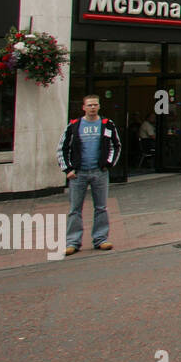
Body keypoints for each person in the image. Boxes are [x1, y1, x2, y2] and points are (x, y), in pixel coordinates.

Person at [57, 95, 120, 255]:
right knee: (75, 209)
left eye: (95, 105)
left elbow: (115, 145)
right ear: (83, 107)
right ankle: (73, 242)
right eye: (90, 105)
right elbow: (62, 148)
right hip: (79, 173)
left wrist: (108, 164)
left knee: (101, 207)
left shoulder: (107, 124)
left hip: (99, 172)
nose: (93, 108)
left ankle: (101, 239)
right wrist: (68, 170)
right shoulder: (74, 126)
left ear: (99, 106)